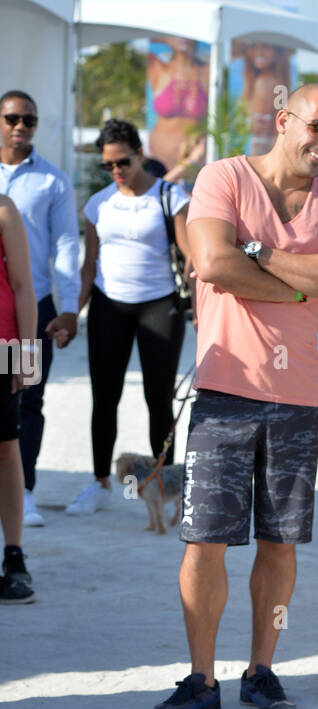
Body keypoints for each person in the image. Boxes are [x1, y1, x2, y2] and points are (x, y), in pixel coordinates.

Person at [150, 84, 318, 709]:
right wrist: (299, 281)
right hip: (223, 389)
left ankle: (261, 672)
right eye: (317, 128)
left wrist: (260, 253)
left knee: (280, 544)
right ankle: (201, 678)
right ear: (283, 119)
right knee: (204, 543)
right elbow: (211, 262)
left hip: (296, 396)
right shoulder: (223, 178)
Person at [65, 120, 191, 517]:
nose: (116, 170)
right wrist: (73, 313)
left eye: (123, 161)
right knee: (105, 397)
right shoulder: (98, 204)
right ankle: (100, 483)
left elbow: (191, 263)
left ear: (140, 154)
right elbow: (89, 267)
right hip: (109, 306)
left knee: (159, 399)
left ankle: (168, 486)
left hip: (160, 306)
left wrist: (204, 312)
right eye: (108, 165)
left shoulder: (170, 196)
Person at [0, 90, 80, 527]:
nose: (20, 126)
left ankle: (24, 491)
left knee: (26, 399)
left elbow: (66, 244)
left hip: (31, 308)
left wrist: (69, 309)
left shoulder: (53, 180)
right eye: (12, 117)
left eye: (28, 120)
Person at [0, 192, 38, 602]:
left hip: (2, 346)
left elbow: (23, 284)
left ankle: (13, 555)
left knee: (6, 449)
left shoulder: (3, 207)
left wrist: (28, 355)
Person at [146, 38, 209, 169]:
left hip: (194, 162)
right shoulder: (159, 70)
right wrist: (170, 39)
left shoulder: (207, 73)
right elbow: (141, 32)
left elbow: (236, 47)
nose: (183, 38)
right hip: (159, 158)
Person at [240, 41, 293, 155]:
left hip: (263, 147)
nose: (259, 52)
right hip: (274, 145)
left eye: (265, 46)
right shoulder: (280, 82)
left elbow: (260, 127)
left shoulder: (264, 81)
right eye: (253, 46)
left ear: (278, 52)